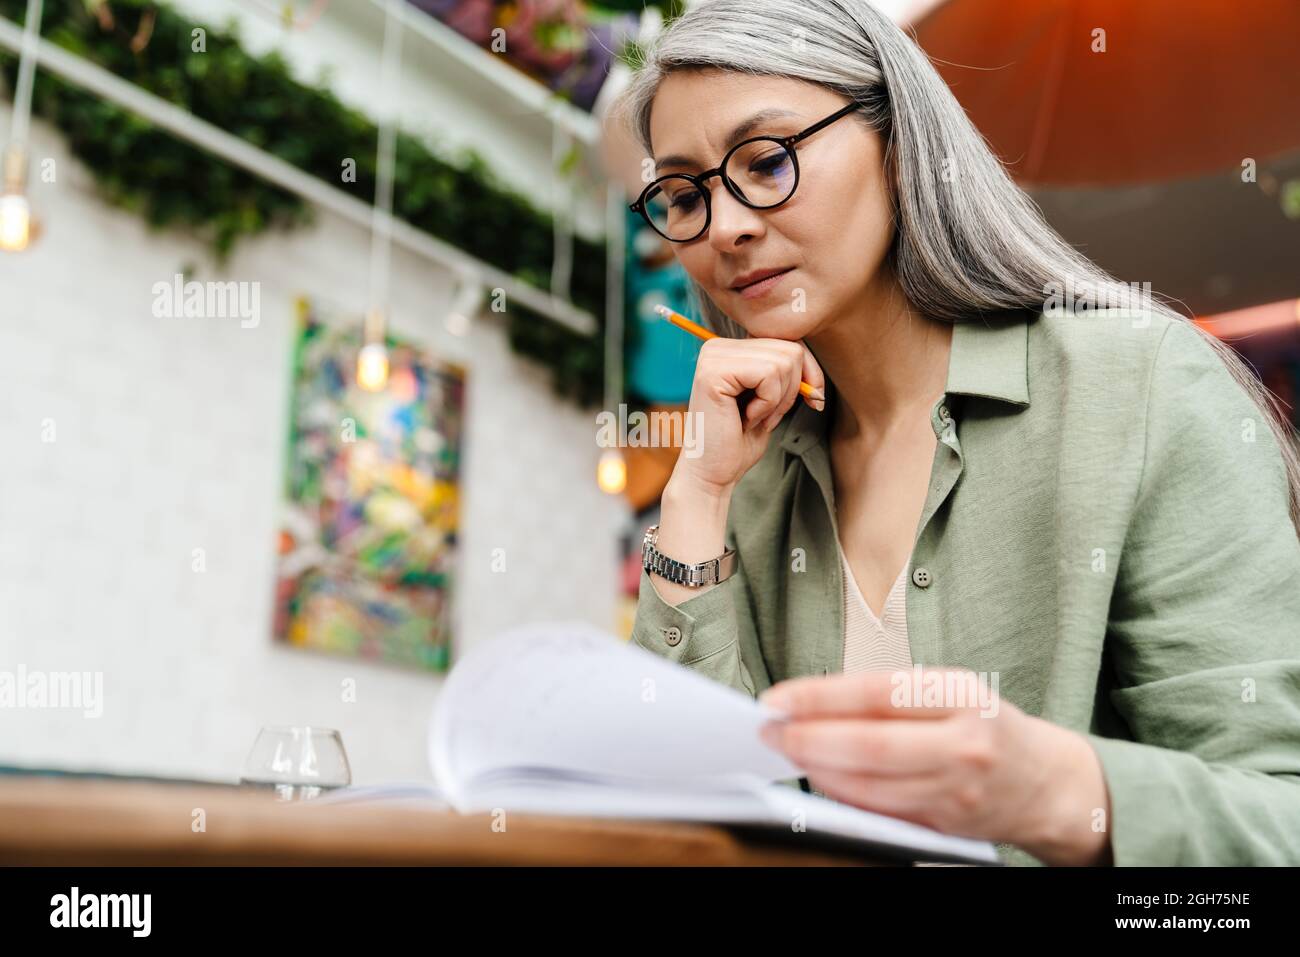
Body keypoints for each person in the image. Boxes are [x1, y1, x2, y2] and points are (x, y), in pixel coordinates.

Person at [611, 0, 1300, 866]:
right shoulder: (748, 476)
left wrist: (1057, 791)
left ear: (899, 146)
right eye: (683, 194)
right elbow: (686, 810)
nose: (727, 226)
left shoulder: (1140, 387)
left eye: (767, 160)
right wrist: (697, 491)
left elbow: (1280, 819)